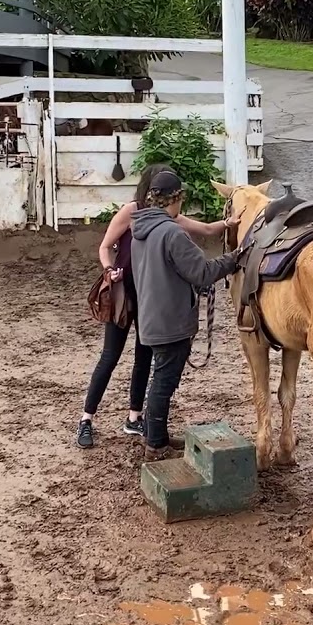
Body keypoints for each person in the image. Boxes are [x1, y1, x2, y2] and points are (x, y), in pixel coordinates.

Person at [77, 164, 238, 449]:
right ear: (172, 197)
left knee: (145, 360)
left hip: (148, 295)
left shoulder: (153, 222)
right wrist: (109, 270)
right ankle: (87, 419)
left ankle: (136, 419)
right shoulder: (139, 216)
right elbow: (105, 247)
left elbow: (204, 229)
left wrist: (227, 224)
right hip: (127, 293)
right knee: (111, 357)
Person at [130, 171, 244, 461]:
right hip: (171, 322)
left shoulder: (141, 231)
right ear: (177, 198)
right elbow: (202, 272)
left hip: (152, 318)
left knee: (159, 379)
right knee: (164, 383)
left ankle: (155, 434)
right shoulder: (172, 233)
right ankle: (155, 443)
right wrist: (234, 258)